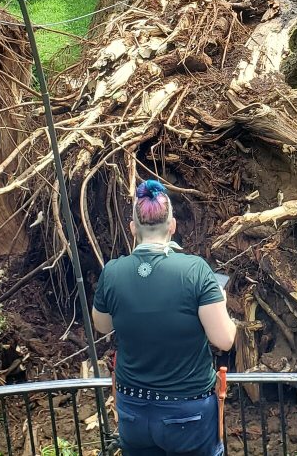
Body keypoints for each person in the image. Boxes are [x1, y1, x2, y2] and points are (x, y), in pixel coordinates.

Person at [93, 179, 236, 456]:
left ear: (133, 228)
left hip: (133, 409)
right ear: (172, 226)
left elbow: (102, 325)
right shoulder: (196, 270)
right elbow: (225, 339)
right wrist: (221, 301)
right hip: (188, 411)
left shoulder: (112, 272)